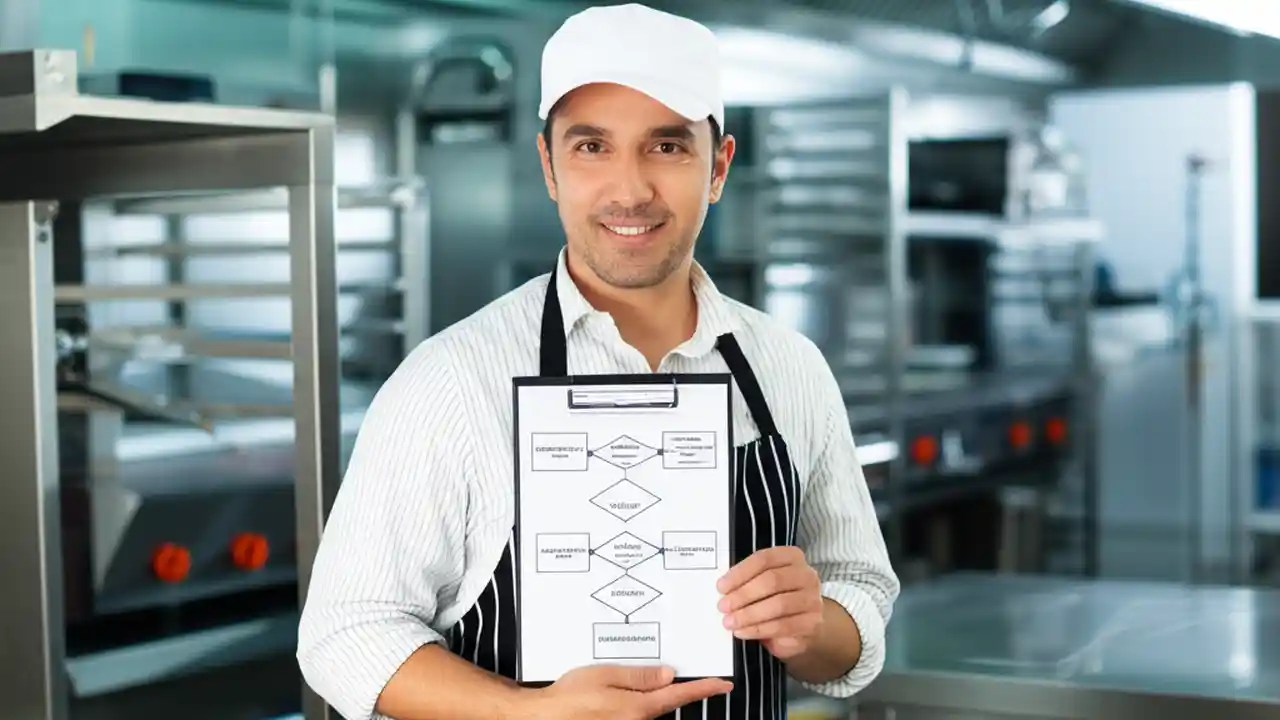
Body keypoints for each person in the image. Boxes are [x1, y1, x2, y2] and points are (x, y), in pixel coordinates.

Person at [296, 3, 899, 719]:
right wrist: (531, 713)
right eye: (592, 147)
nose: (630, 190)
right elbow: (345, 634)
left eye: (667, 147)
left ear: (719, 166)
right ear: (549, 165)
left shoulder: (789, 370)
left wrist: (813, 627)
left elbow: (858, 592)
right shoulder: (451, 380)